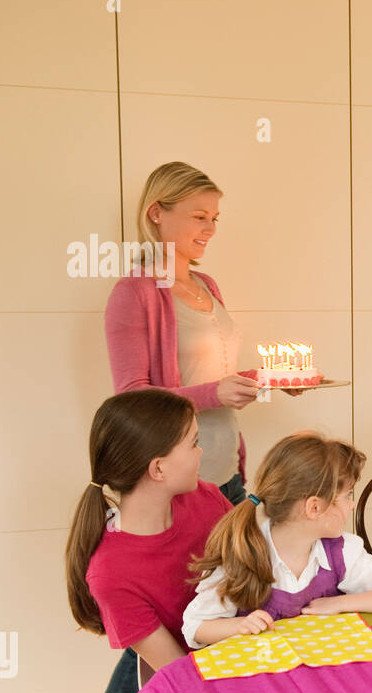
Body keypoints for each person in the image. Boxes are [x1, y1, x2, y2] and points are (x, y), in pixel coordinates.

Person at [65, 389, 231, 693]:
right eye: (194, 442)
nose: (202, 451)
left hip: (231, 649)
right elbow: (180, 676)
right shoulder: (111, 573)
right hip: (193, 673)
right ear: (158, 468)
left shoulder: (207, 500)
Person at [104, 161, 260, 506]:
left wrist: (261, 380)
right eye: (199, 216)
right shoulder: (134, 292)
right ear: (157, 213)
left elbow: (210, 376)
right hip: (178, 483)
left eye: (214, 218)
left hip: (229, 474)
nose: (210, 228)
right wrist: (216, 394)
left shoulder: (208, 285)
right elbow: (131, 399)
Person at [183, 434, 372, 647]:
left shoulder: (341, 552)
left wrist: (341, 604)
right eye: (347, 496)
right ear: (314, 507)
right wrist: (238, 626)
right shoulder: (243, 554)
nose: (351, 505)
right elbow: (195, 627)